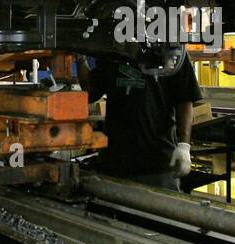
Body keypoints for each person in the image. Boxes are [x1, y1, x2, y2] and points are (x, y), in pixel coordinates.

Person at [78, 51, 202, 190]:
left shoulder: (172, 50)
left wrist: (184, 145)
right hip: (115, 161)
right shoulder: (112, 51)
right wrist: (80, 57)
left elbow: (185, 99)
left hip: (157, 162)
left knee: (161, 203)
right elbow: (91, 92)